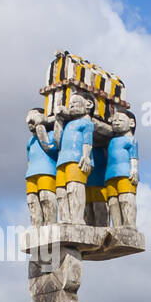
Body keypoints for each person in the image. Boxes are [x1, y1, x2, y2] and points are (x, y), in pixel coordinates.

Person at [55, 94, 95, 224]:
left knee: (74, 187)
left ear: (88, 104)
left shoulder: (87, 123)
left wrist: (86, 156)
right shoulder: (68, 124)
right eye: (69, 103)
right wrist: (59, 121)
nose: (71, 105)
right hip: (62, 159)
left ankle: (77, 218)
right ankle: (65, 218)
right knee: (61, 191)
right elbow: (57, 141)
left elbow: (87, 140)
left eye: (75, 102)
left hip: (77, 159)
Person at [105, 109, 139, 229]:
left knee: (126, 198)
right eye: (114, 121)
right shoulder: (111, 141)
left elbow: (134, 156)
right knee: (113, 202)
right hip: (110, 174)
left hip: (125, 173)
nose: (116, 123)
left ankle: (129, 224)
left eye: (120, 120)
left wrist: (134, 169)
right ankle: (117, 226)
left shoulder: (131, 140)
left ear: (131, 123)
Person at [25, 109, 57, 225]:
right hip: (31, 174)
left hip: (47, 171)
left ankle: (50, 224)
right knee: (32, 200)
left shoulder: (52, 134)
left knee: (46, 197)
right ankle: (36, 225)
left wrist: (40, 127)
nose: (30, 123)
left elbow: (50, 147)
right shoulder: (30, 141)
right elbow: (28, 159)